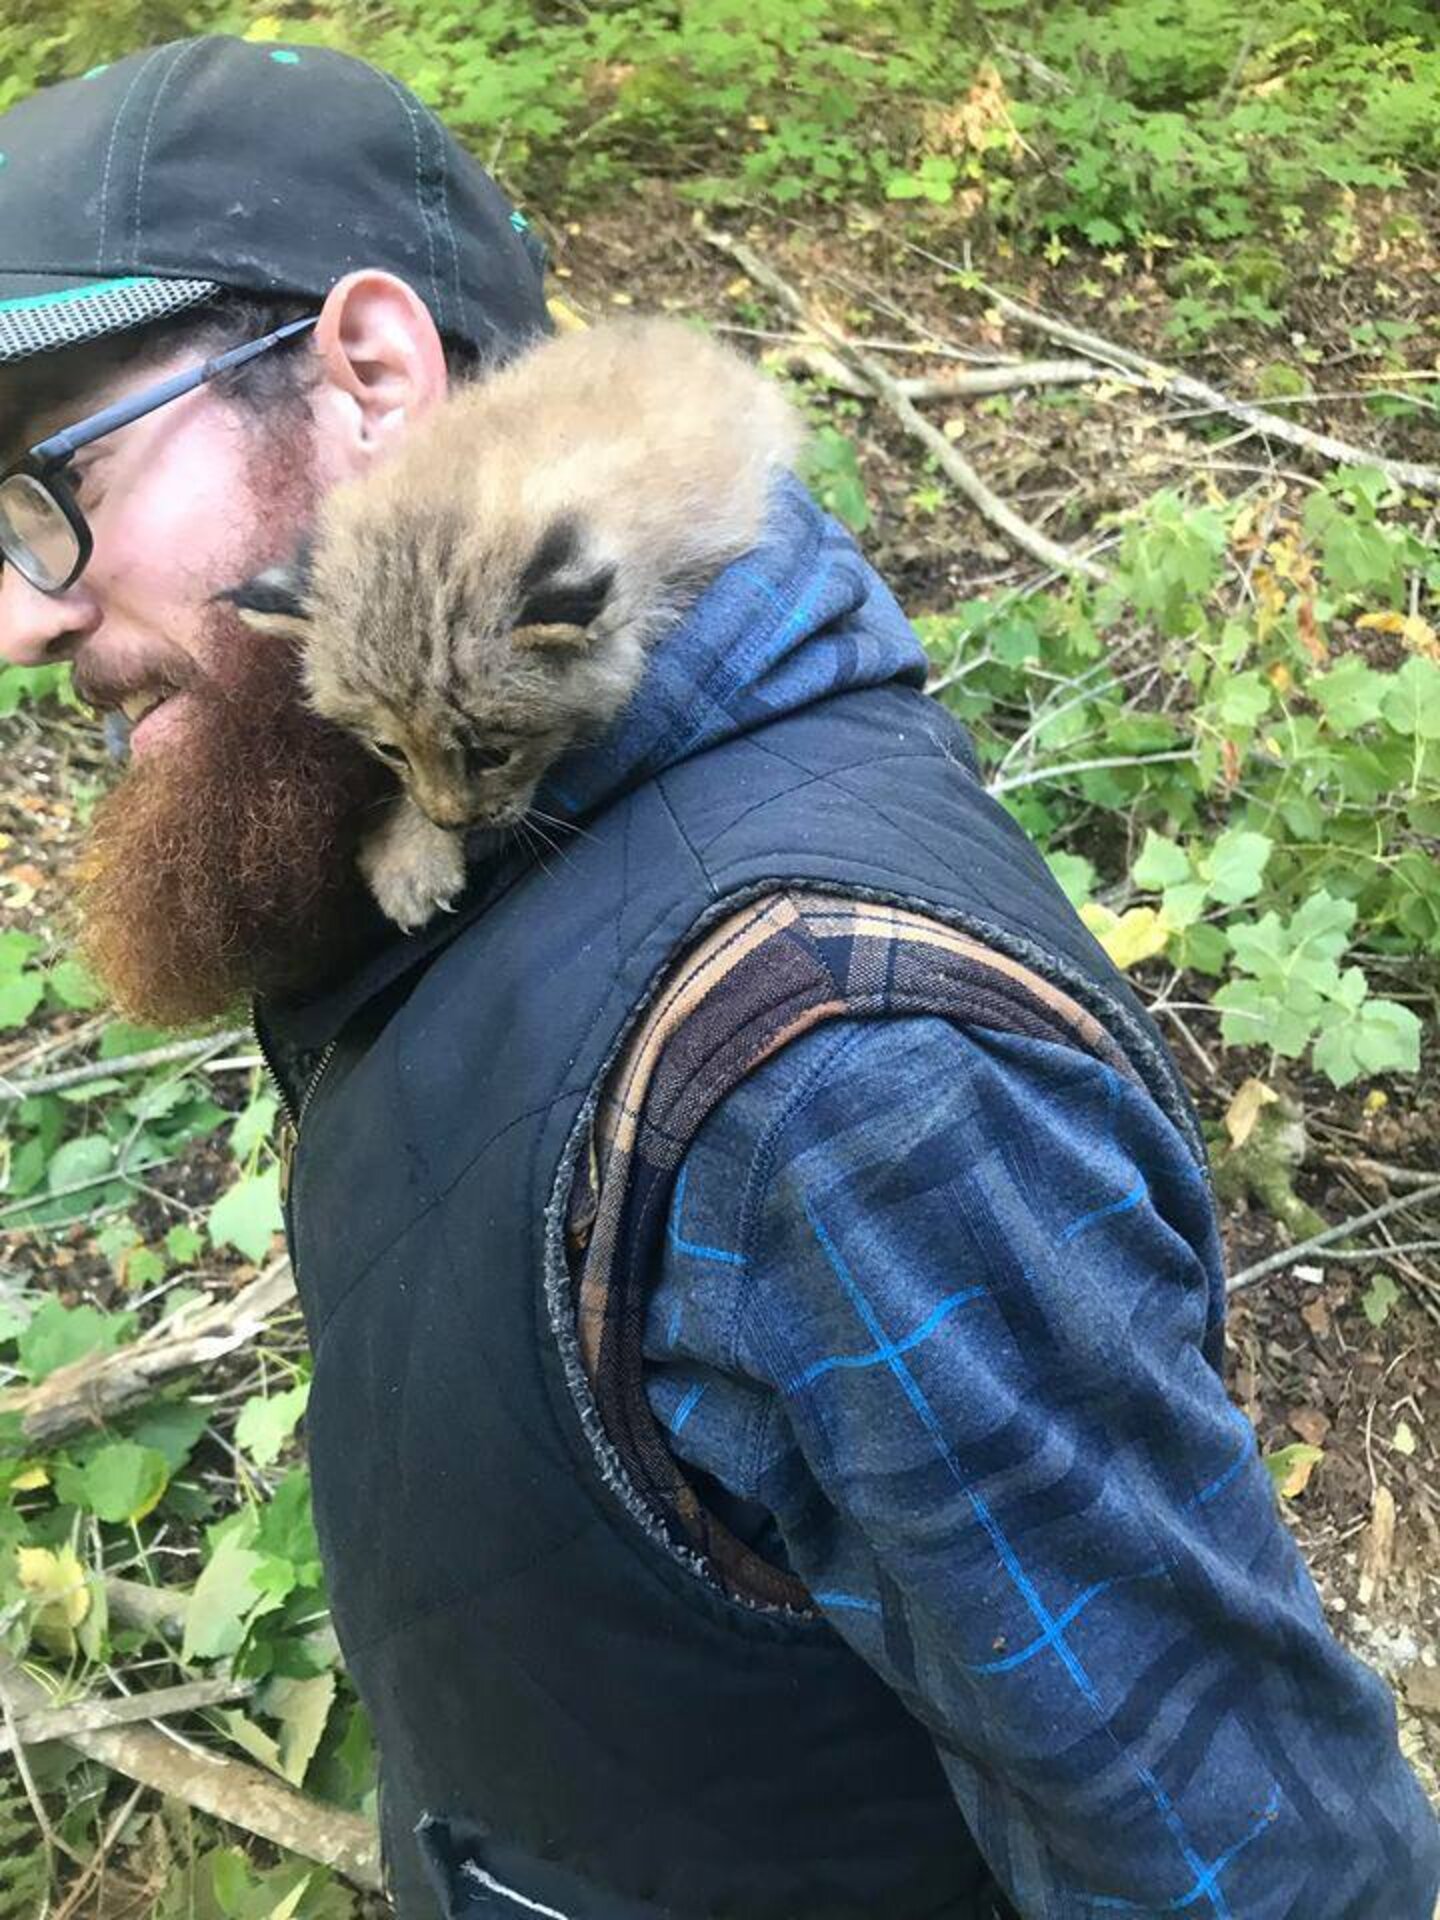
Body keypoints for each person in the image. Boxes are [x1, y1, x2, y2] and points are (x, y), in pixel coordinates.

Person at [0, 35, 1435, 1920]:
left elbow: (1252, 1868)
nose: (23, 616)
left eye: (53, 477)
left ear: (370, 377)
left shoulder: (824, 1073)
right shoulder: (436, 840)